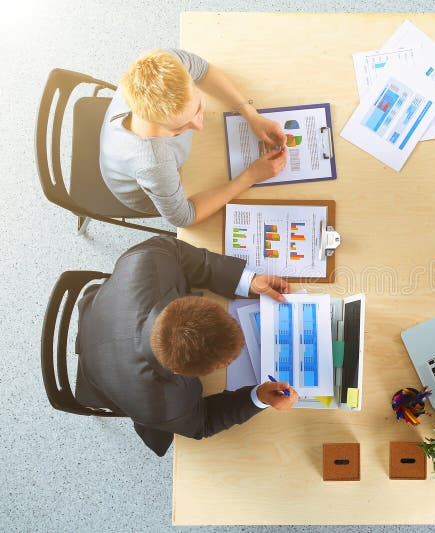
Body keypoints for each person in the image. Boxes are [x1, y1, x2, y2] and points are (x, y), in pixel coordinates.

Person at [75, 236, 297, 456]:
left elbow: (181, 253)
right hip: (100, 375)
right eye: (227, 362)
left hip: (101, 312)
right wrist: (258, 397)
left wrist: (247, 280)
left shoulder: (150, 258)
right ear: (179, 372)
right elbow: (203, 422)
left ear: (190, 302)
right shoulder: (161, 406)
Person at [100, 48, 287, 227]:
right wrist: (250, 176)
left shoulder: (163, 64)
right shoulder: (154, 164)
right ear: (155, 125)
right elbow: (184, 217)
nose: (200, 126)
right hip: (146, 194)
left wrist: (249, 113)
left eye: (198, 108)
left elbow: (203, 70)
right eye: (180, 128)